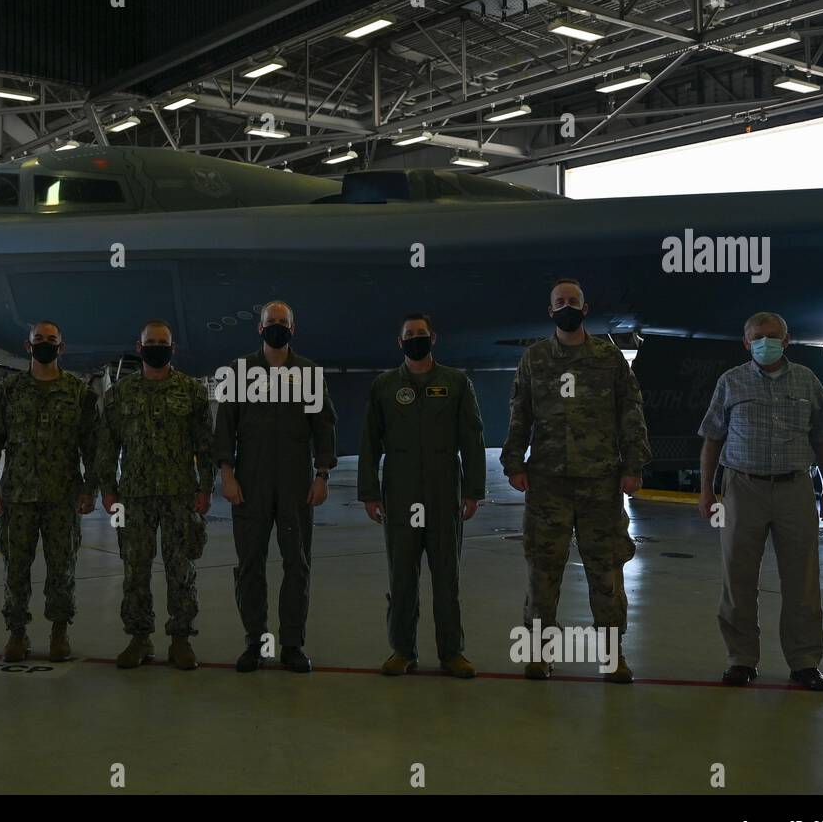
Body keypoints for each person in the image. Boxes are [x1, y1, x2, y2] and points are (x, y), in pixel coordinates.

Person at [500, 280, 649, 684]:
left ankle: (612, 655)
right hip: (547, 482)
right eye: (559, 302)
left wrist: (633, 465)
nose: (566, 307)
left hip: (600, 483)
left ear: (586, 309)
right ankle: (538, 654)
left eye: (573, 302)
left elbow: (630, 411)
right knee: (542, 573)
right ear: (551, 312)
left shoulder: (608, 356)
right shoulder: (535, 358)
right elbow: (520, 412)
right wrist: (513, 462)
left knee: (606, 573)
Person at [697, 311, 823, 692]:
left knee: (802, 579)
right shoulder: (730, 382)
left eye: (773, 335)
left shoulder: (807, 380)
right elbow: (712, 439)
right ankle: (741, 659)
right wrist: (706, 491)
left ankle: (805, 663)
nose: (766, 342)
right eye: (758, 337)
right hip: (742, 488)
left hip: (795, 487)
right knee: (738, 578)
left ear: (787, 339)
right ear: (746, 343)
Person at [358, 313, 486, 679]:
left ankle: (452, 652)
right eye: (409, 335)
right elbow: (369, 442)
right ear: (400, 343)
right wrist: (370, 492)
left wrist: (474, 490)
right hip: (400, 494)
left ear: (434, 338)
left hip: (445, 492)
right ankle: (402, 649)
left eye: (421, 334)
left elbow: (473, 439)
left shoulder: (456, 382)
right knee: (402, 575)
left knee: (447, 576)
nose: (415, 339)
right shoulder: (384, 386)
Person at [214, 301, 338, 673]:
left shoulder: (310, 373)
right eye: (271, 322)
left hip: (295, 482)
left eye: (283, 323)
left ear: (293, 330)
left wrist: (322, 474)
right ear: (260, 328)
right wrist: (227, 474)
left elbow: (324, 427)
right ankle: (255, 641)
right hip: (249, 483)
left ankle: (291, 644)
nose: (277, 328)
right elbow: (225, 426)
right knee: (250, 563)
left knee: (296, 564)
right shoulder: (240, 371)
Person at [0, 321, 98, 663]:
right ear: (28, 347)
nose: (45, 345)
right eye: (38, 340)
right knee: (16, 569)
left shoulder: (79, 393)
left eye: (51, 340)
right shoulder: (7, 392)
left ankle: (60, 631)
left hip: (63, 498)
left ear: (62, 348)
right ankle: (17, 633)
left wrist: (90, 489)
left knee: (62, 567)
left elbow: (93, 447)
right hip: (17, 497)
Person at [97, 319, 214, 670]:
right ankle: (139, 638)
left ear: (173, 349)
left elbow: (205, 446)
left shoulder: (191, 392)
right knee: (135, 571)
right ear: (139, 347)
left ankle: (181, 639)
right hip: (134, 497)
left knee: (182, 571)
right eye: (152, 342)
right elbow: (107, 446)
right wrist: (107, 490)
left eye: (163, 343)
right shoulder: (120, 394)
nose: (157, 348)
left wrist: (206, 487)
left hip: (180, 494)